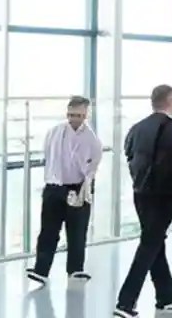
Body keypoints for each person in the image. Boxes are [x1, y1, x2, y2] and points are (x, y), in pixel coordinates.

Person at [113, 85, 172, 318]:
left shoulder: (136, 128)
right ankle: (125, 302)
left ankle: (165, 297)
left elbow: (130, 156)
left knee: (154, 240)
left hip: (140, 192)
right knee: (150, 243)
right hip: (163, 195)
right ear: (171, 100)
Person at [26, 95, 102, 287]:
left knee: (77, 230)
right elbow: (48, 156)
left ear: (86, 114)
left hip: (78, 187)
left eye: (78, 115)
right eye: (70, 114)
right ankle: (41, 269)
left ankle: (75, 269)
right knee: (48, 230)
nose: (74, 119)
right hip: (54, 186)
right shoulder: (54, 132)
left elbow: (92, 166)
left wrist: (85, 190)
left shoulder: (91, 139)